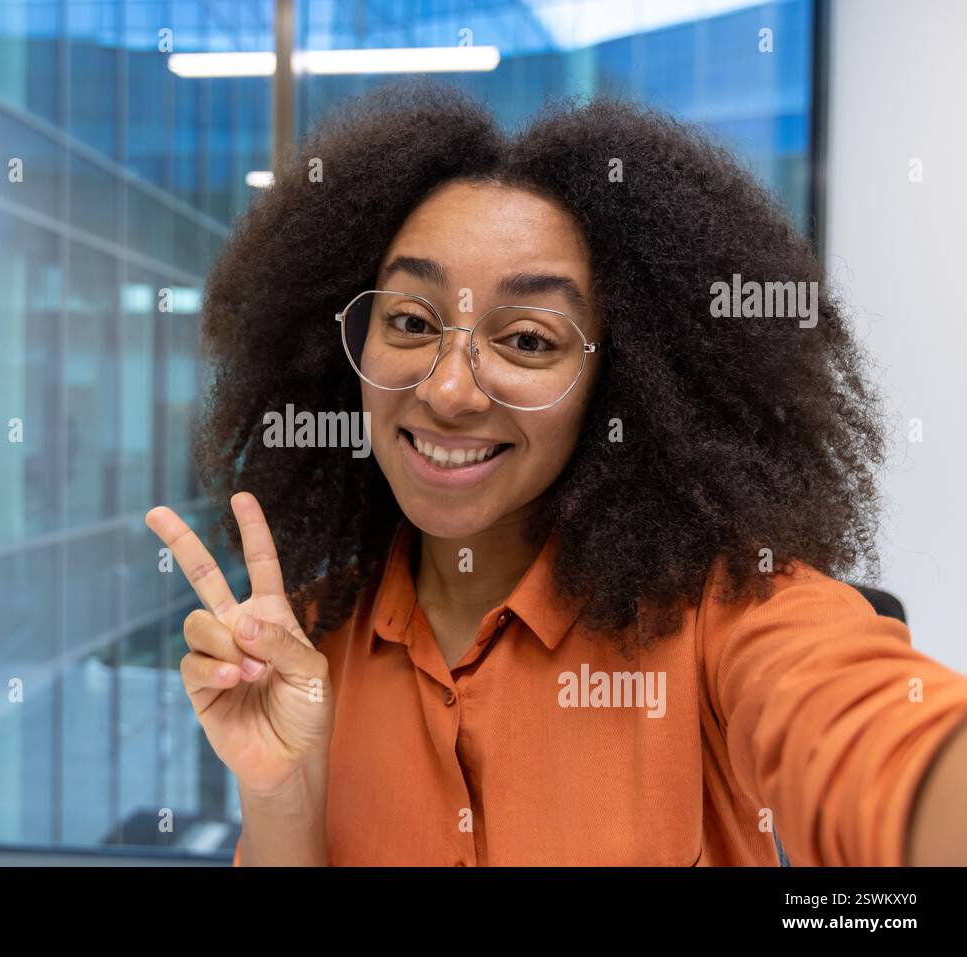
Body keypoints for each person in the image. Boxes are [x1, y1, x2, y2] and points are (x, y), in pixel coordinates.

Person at [145, 81, 967, 866]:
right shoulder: (309, 646)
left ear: (624, 384)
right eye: (409, 320)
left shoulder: (730, 619)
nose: (447, 389)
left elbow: (875, 740)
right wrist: (280, 789)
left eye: (529, 339)